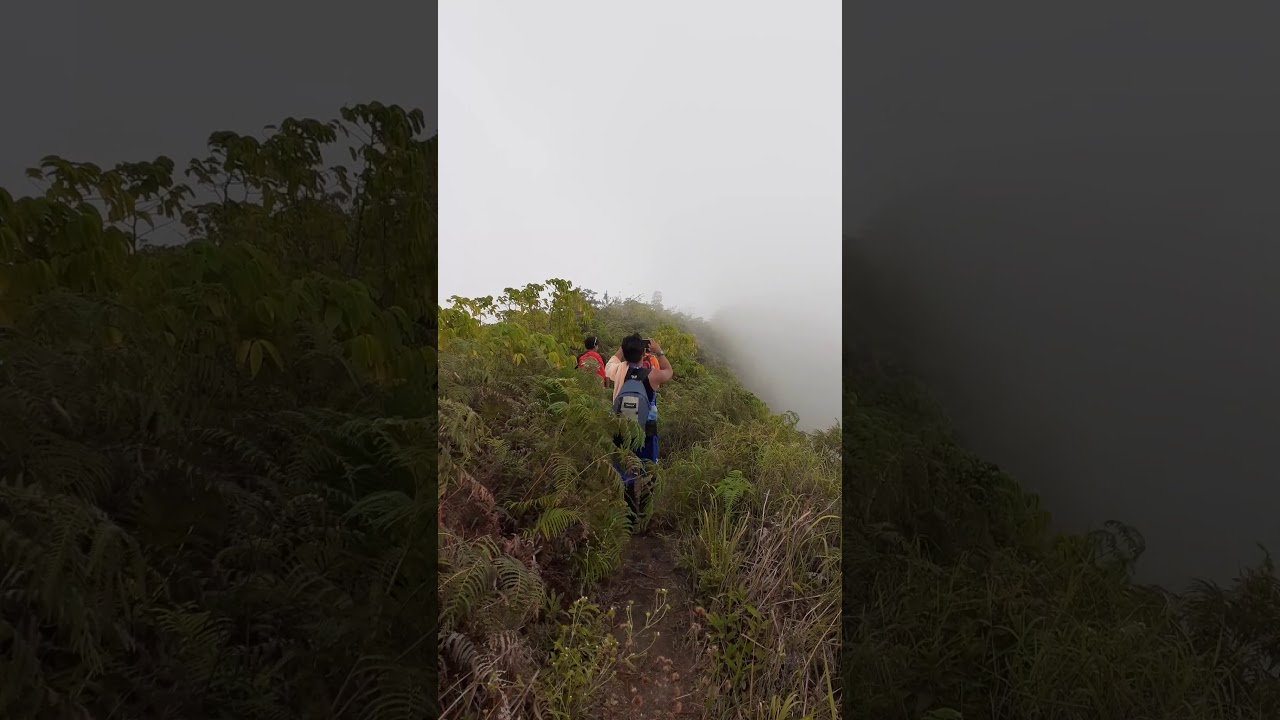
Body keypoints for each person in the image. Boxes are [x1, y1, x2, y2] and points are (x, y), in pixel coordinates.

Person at [605, 334, 674, 524]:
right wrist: (658, 351)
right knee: (649, 468)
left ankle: (629, 513)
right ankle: (645, 510)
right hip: (646, 430)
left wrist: (622, 348)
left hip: (622, 429)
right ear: (644, 352)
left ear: (625, 352)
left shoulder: (618, 370)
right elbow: (669, 371)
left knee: (625, 468)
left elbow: (609, 364)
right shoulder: (652, 374)